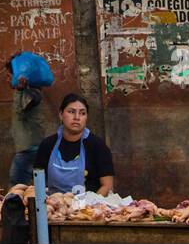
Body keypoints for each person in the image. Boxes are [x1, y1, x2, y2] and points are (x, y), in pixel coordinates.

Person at [32, 93, 114, 195]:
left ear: (86, 117)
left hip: (87, 207)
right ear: (61, 115)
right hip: (55, 207)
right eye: (71, 112)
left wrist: (90, 206)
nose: (77, 117)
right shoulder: (47, 145)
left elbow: (107, 186)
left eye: (82, 113)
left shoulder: (97, 146)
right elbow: (38, 184)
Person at [7, 55, 48, 186]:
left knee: (17, 186)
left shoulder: (32, 94)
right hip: (29, 147)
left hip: (28, 148)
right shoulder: (29, 92)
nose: (7, 78)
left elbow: (20, 112)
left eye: (9, 74)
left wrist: (19, 90)